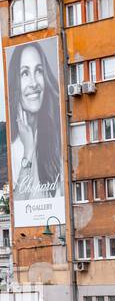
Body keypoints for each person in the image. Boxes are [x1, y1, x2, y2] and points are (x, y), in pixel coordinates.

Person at [8, 40, 63, 199]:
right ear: (15, 83)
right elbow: (16, 208)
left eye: (38, 71)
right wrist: (29, 151)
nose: (33, 83)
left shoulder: (56, 139)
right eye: (25, 73)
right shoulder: (10, 148)